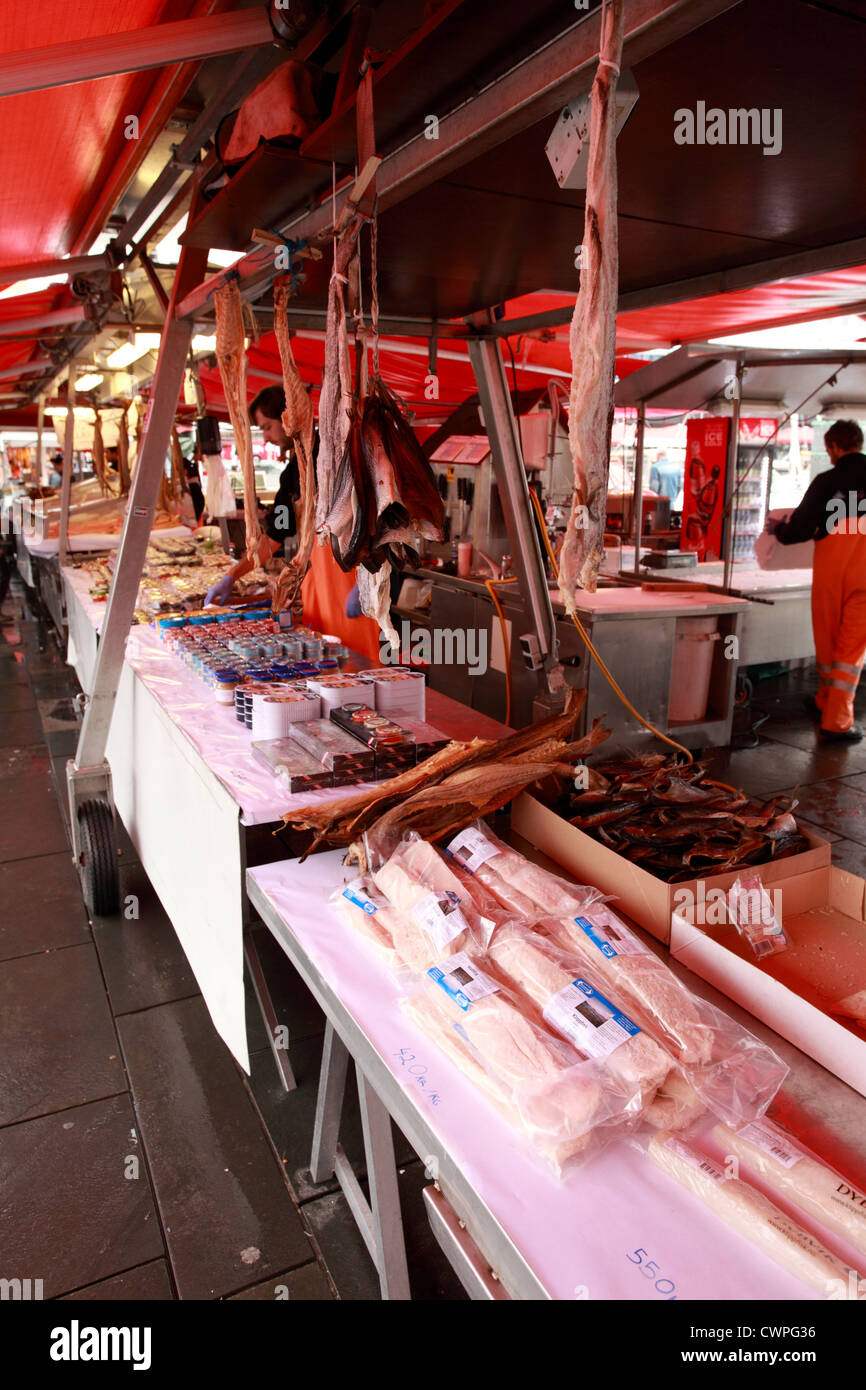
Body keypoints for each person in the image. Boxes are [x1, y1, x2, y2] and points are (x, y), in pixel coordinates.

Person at [767, 419, 866, 742]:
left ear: (834, 447)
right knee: (851, 648)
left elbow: (797, 530)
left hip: (830, 571)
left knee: (827, 638)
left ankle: (833, 717)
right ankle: (831, 708)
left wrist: (778, 530)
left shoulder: (826, 480)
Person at [204, 385, 300, 605]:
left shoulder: (330, 456)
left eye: (267, 427)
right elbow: (277, 534)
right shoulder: (290, 478)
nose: (265, 438)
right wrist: (232, 575)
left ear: (288, 416)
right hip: (320, 586)